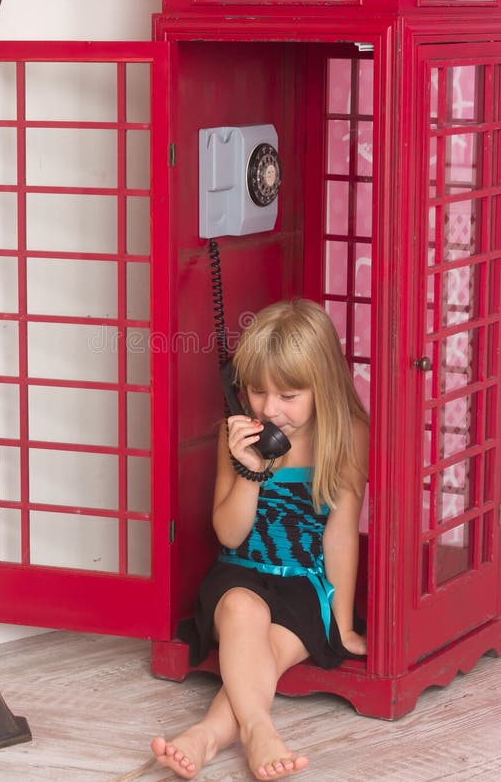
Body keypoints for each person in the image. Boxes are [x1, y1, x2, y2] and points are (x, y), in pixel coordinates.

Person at [151, 299, 369, 780]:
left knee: (265, 650)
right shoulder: (237, 437)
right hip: (241, 570)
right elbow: (228, 533)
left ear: (323, 388)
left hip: (304, 582)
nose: (269, 409)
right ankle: (258, 731)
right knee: (241, 611)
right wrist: (248, 472)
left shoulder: (349, 436)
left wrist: (343, 623)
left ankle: (206, 735)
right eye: (256, 392)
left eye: (288, 395)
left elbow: (340, 534)